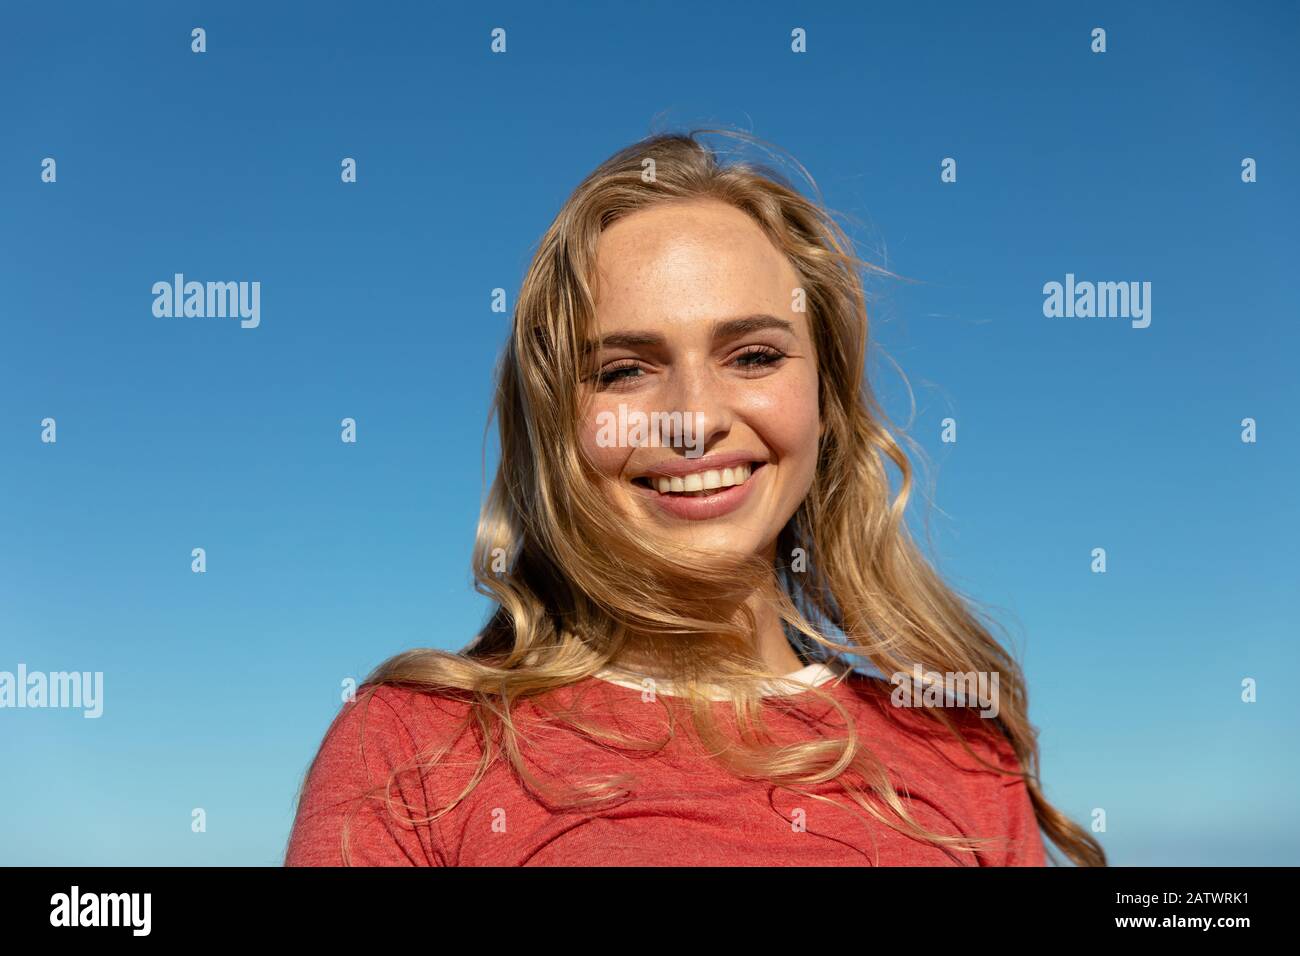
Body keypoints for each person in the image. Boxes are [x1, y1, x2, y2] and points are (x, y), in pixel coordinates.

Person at [284, 129, 1105, 867]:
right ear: (555, 424)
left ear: (826, 402)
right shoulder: (413, 753)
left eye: (752, 355)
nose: (694, 421)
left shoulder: (957, 753)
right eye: (624, 370)